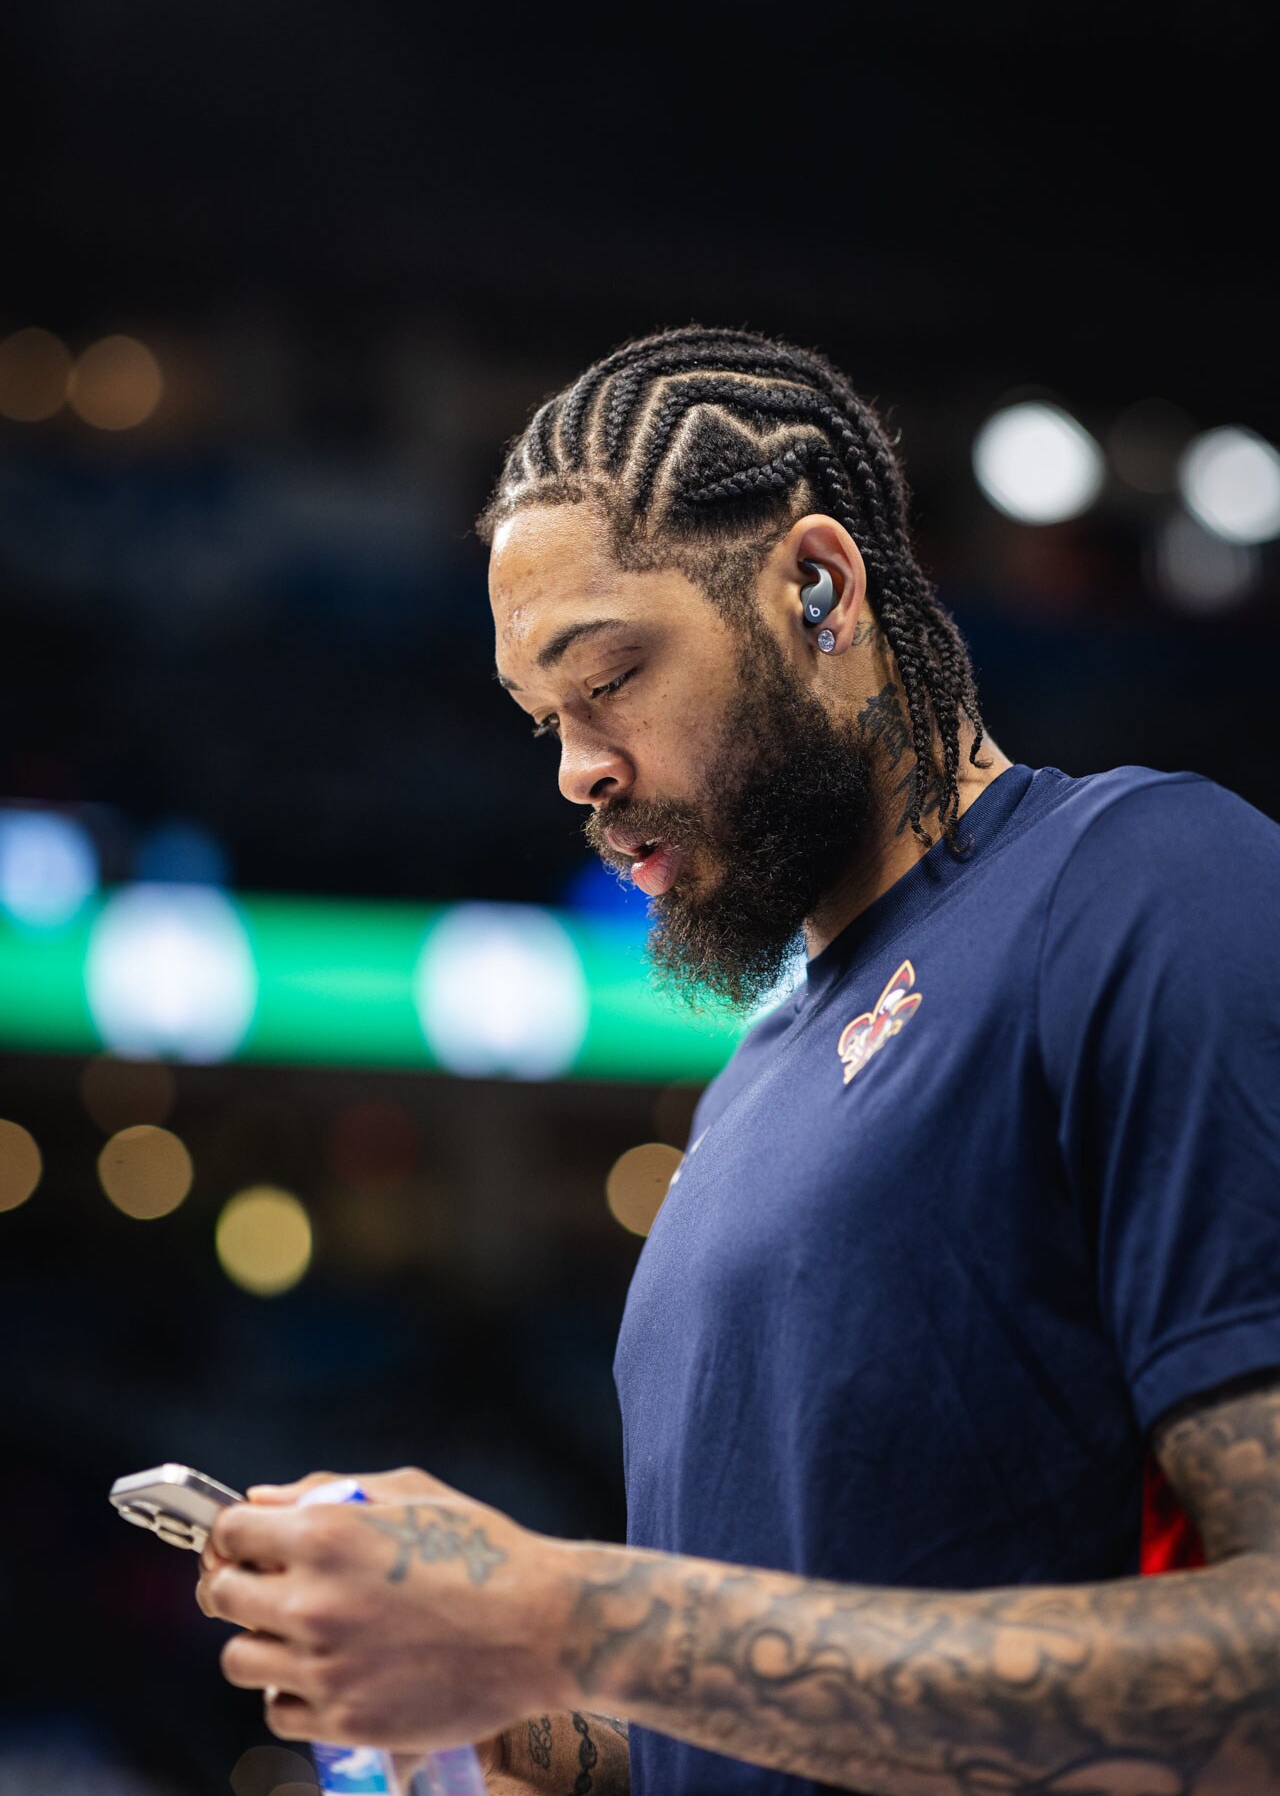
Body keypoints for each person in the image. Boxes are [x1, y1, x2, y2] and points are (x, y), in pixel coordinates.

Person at [199, 328, 1280, 1796]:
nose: (577, 770)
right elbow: (772, 1716)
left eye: (611, 677)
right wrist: (535, 1731)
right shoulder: (748, 1091)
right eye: (548, 724)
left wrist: (574, 1615)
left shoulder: (1147, 883)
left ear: (817, 590)